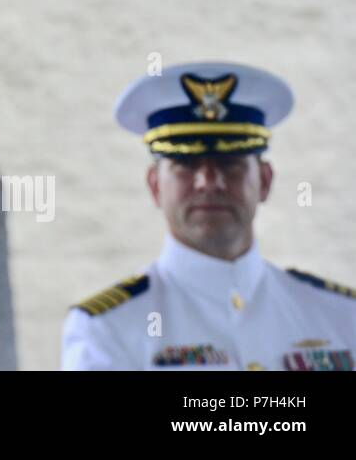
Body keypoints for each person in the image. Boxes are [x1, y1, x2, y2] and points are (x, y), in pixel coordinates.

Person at [62, 61, 354, 370]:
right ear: (155, 185)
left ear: (265, 181)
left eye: (230, 161)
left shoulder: (339, 315)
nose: (209, 181)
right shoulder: (111, 328)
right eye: (185, 164)